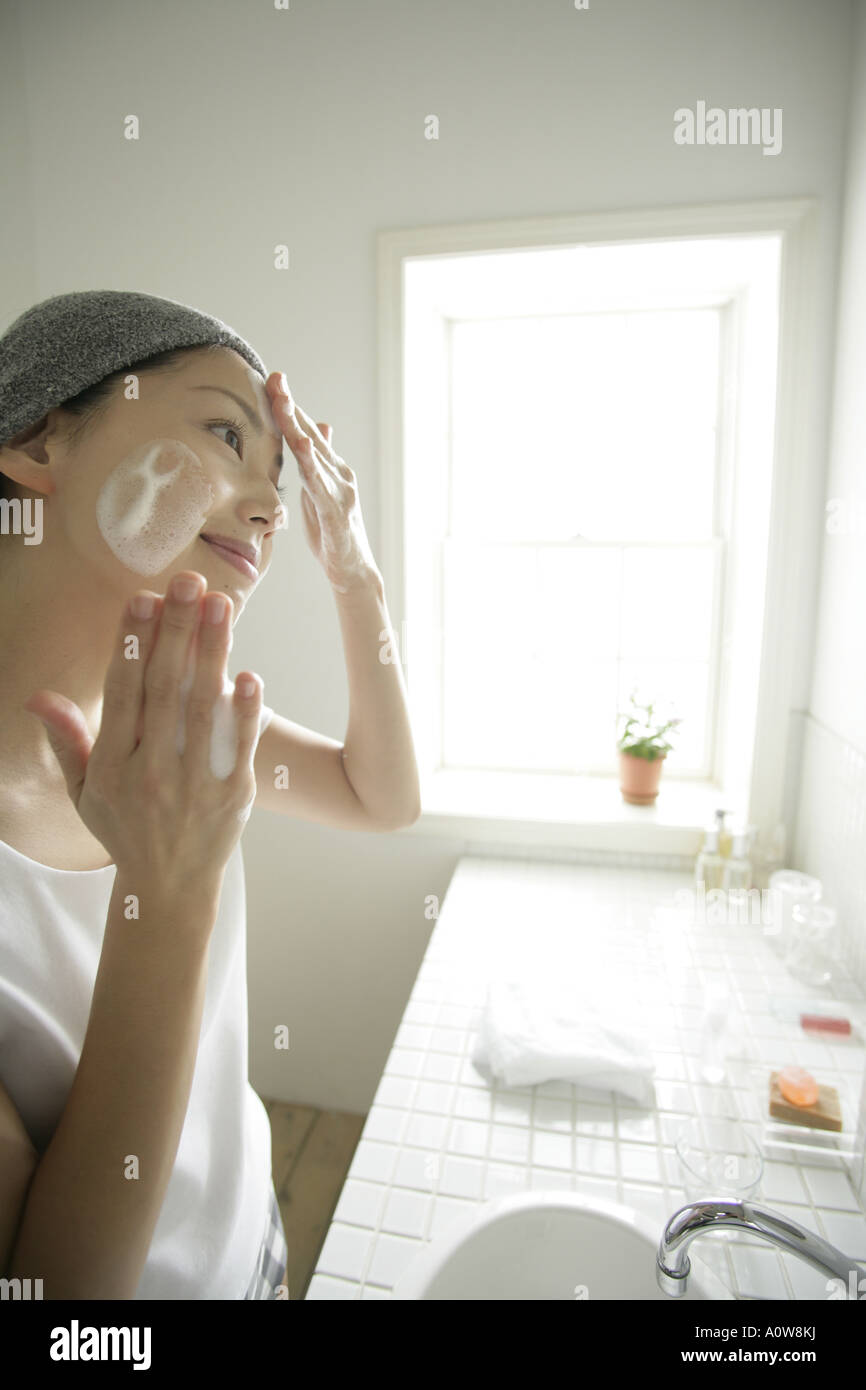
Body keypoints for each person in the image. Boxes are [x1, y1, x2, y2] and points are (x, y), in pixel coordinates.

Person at [0, 289, 295, 1299]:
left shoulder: (180, 728)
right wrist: (165, 903)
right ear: (41, 438)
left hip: (258, 1244)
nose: (269, 508)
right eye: (226, 431)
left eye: (278, 480)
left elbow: (389, 800)